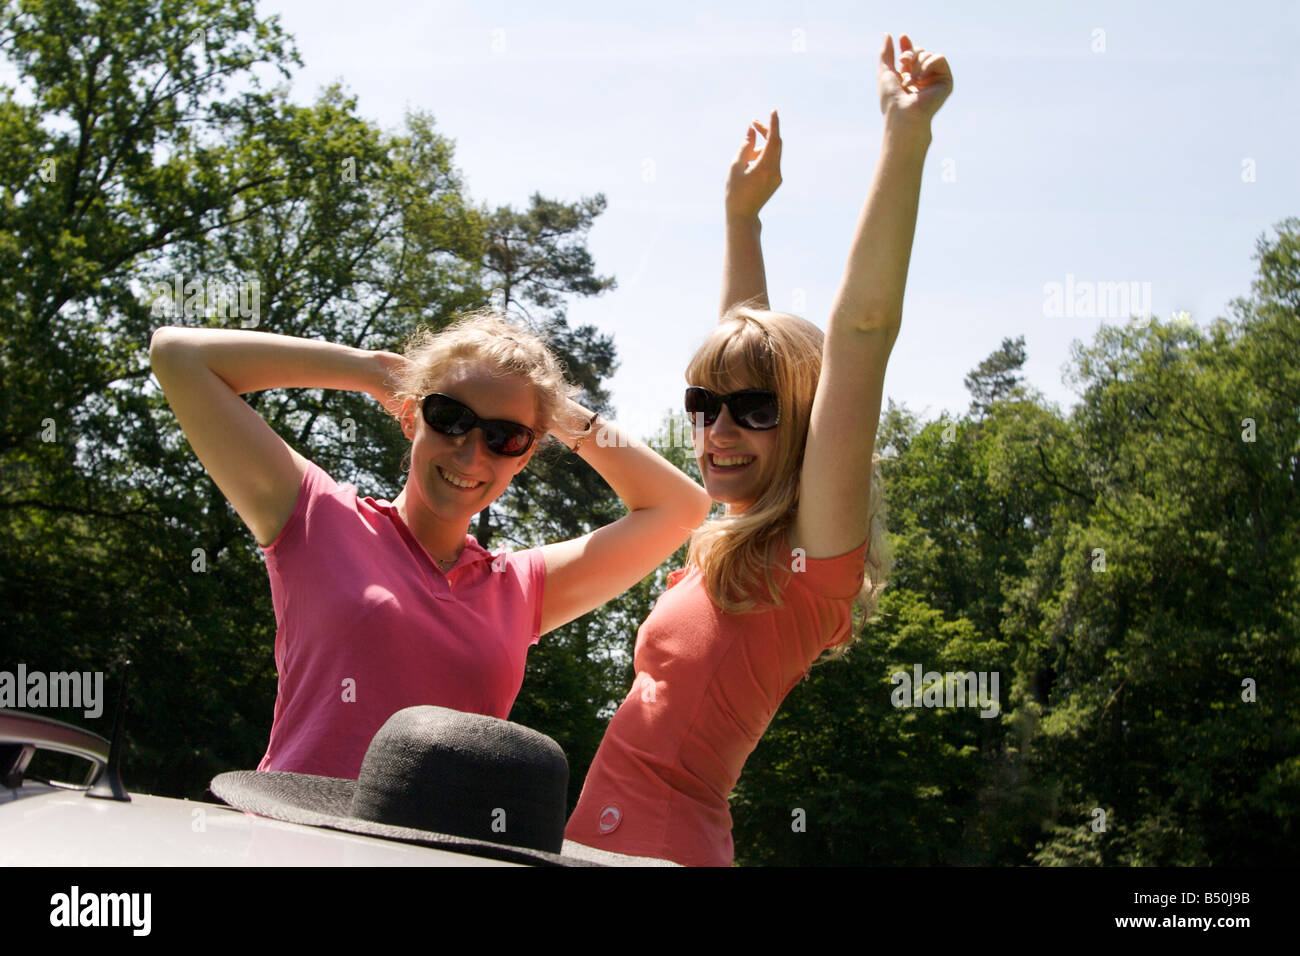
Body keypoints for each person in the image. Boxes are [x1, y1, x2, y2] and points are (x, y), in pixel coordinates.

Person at [563, 33, 952, 865]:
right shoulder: (736, 540)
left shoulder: (810, 561)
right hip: (605, 843)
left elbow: (862, 332)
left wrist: (903, 136)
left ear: (809, 423)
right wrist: (743, 217)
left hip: (656, 853)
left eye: (753, 411)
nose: (718, 430)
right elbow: (752, 349)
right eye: (705, 406)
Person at [149, 310, 712, 778]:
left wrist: (554, 411)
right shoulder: (316, 517)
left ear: (525, 454)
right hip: (294, 846)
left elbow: (682, 508)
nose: (471, 455)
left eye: (504, 437)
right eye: (449, 417)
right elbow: (179, 355)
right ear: (410, 414)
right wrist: (370, 370)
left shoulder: (520, 589)